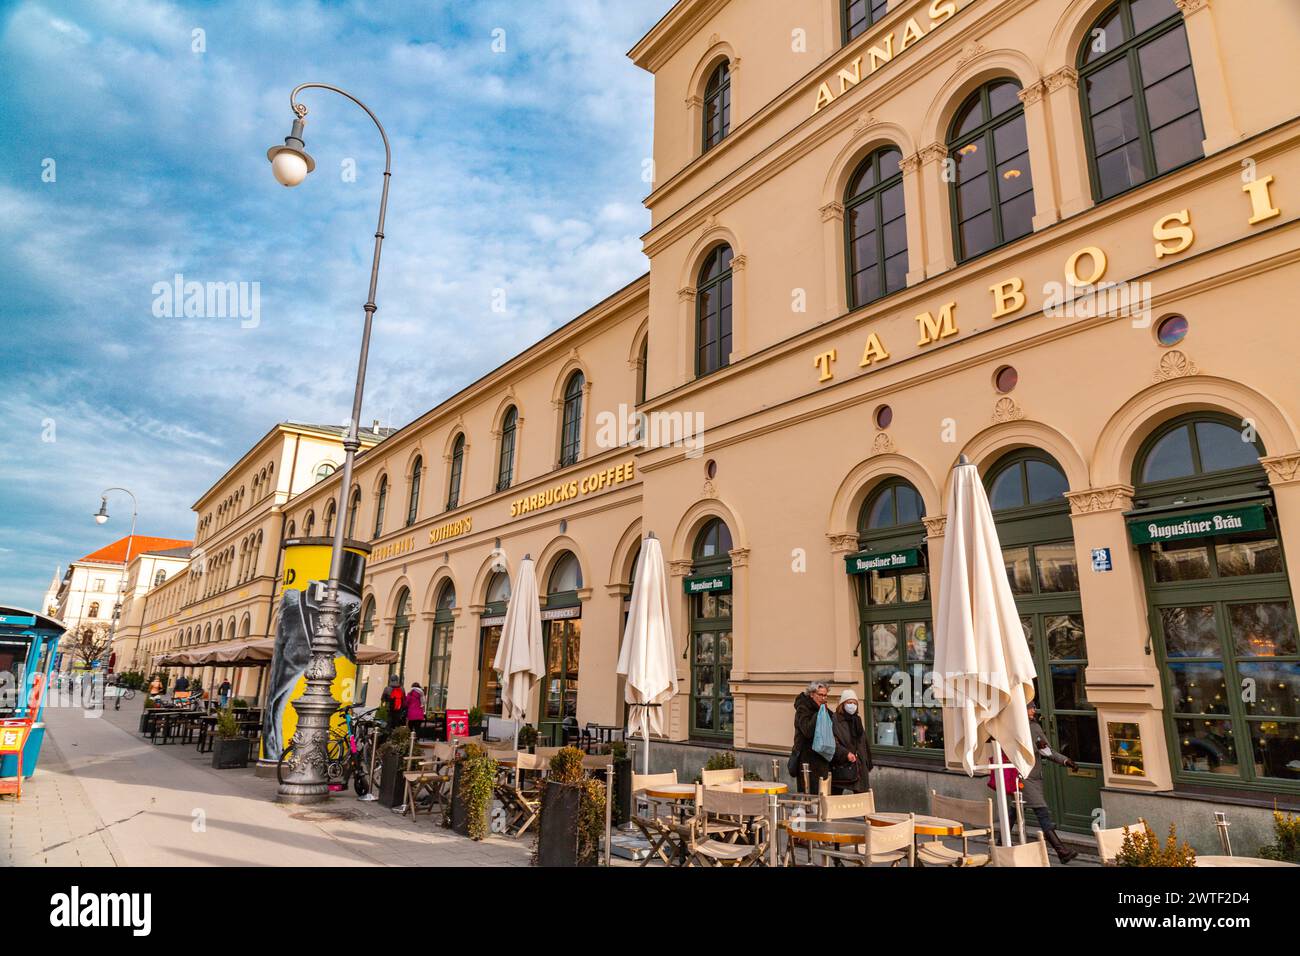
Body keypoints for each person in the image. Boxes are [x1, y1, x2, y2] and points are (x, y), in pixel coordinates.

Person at [1023, 700, 1078, 864]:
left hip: (1022, 776)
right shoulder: (1031, 728)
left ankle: (998, 846)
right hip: (1026, 778)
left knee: (1012, 813)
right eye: (1030, 707)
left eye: (1033, 707)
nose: (1034, 710)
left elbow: (1044, 749)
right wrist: (1065, 760)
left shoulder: (1023, 726)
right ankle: (1061, 851)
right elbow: (1046, 751)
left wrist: (1065, 760)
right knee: (1042, 812)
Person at [791, 680, 832, 793]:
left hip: (821, 758)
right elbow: (807, 731)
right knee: (807, 794)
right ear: (812, 694)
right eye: (820, 695)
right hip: (806, 759)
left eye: (825, 695)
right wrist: (818, 714)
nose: (823, 698)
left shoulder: (823, 710)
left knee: (821, 793)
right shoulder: (803, 709)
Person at [830, 688, 872, 795]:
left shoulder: (857, 720)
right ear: (843, 704)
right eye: (849, 702)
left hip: (859, 765)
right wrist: (845, 754)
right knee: (836, 798)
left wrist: (868, 762)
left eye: (854, 703)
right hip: (841, 765)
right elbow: (832, 742)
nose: (852, 705)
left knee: (861, 799)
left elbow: (863, 742)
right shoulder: (834, 719)